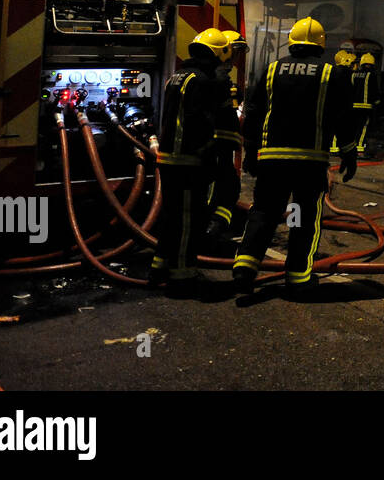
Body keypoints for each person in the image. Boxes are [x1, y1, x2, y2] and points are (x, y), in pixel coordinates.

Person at [233, 17, 357, 298]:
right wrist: (349, 154)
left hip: (272, 160)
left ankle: (244, 268)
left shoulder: (271, 69)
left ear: (292, 41)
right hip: (309, 163)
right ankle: (298, 277)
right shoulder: (331, 74)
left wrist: (251, 153)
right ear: (321, 45)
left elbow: (252, 114)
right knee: (305, 218)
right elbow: (344, 119)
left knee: (263, 212)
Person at [150, 29, 235, 297]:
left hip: (169, 159)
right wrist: (211, 148)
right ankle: (182, 276)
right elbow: (204, 120)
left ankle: (160, 266)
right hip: (188, 161)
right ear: (218, 53)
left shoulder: (178, 76)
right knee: (188, 220)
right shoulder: (202, 80)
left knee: (171, 216)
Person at [205, 30, 248, 243]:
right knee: (219, 188)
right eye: (236, 51)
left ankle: (216, 225)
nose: (237, 57)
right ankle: (211, 229)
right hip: (214, 146)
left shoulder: (219, 76)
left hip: (221, 145)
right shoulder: (218, 78)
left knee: (229, 186)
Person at [352, 52, 378, 156]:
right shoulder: (371, 75)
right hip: (366, 107)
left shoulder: (353, 74)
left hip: (353, 107)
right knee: (362, 129)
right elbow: (374, 92)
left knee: (353, 128)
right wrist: (377, 104)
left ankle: (350, 148)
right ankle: (359, 150)